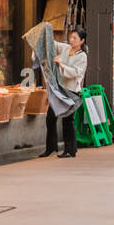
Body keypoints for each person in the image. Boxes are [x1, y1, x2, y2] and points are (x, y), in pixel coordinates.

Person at [43, 29, 87, 158]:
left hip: (72, 92)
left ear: (82, 41)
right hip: (59, 90)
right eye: (71, 37)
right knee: (50, 118)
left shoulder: (82, 56)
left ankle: (70, 149)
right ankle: (51, 147)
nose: (71, 40)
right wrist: (46, 32)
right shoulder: (66, 48)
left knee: (67, 121)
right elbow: (54, 44)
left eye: (75, 38)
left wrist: (61, 65)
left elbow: (76, 73)